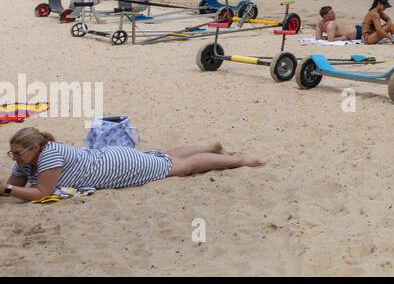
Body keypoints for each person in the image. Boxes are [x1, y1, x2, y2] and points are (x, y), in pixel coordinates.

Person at [5, 127, 262, 202]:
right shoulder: (27, 159)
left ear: (35, 148)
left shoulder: (48, 155)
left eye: (18, 153)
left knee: (180, 168)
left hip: (116, 167)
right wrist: (7, 188)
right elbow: (12, 185)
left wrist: (6, 190)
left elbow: (42, 193)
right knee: (162, 157)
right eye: (12, 154)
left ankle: (239, 160)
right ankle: (210, 146)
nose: (14, 157)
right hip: (110, 158)